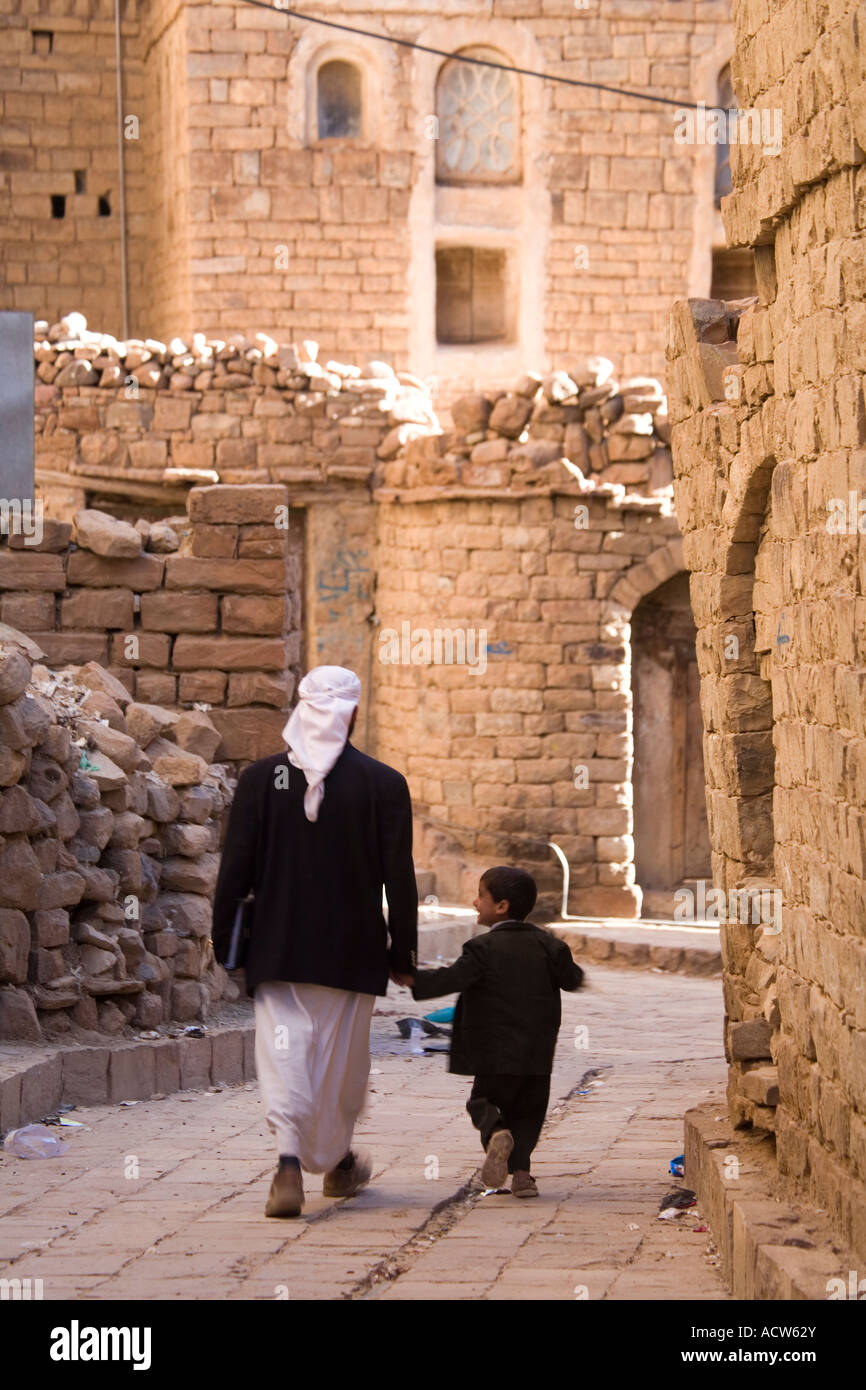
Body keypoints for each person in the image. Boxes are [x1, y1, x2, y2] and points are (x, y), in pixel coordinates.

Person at [211, 665, 418, 1218]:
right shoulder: (384, 783)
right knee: (340, 1065)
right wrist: (405, 955)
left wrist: (223, 940)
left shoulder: (260, 781)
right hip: (353, 951)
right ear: (352, 713)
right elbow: (400, 880)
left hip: (277, 949)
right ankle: (335, 1160)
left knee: (283, 1054)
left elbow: (235, 871)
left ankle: (287, 1163)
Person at [410, 865, 584, 1198]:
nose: (475, 902)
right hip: (536, 1054)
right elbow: (572, 979)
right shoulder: (549, 946)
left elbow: (450, 979)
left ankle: (495, 1131)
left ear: (501, 906)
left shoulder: (481, 949)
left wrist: (413, 979)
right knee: (529, 1114)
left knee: (483, 1101)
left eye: (481, 896)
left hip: (494, 1052)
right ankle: (521, 1176)